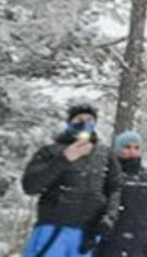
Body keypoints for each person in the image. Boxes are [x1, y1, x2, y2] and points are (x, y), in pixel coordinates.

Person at [20, 104, 122, 257]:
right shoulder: (50, 151)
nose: (85, 123)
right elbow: (30, 186)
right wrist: (64, 159)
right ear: (69, 122)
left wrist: (109, 217)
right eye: (79, 119)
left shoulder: (105, 154)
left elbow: (115, 188)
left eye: (89, 120)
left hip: (86, 234)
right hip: (53, 227)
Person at [97, 131, 147, 257]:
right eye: (127, 147)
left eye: (136, 147)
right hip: (110, 243)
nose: (132, 151)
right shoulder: (108, 176)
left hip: (139, 245)